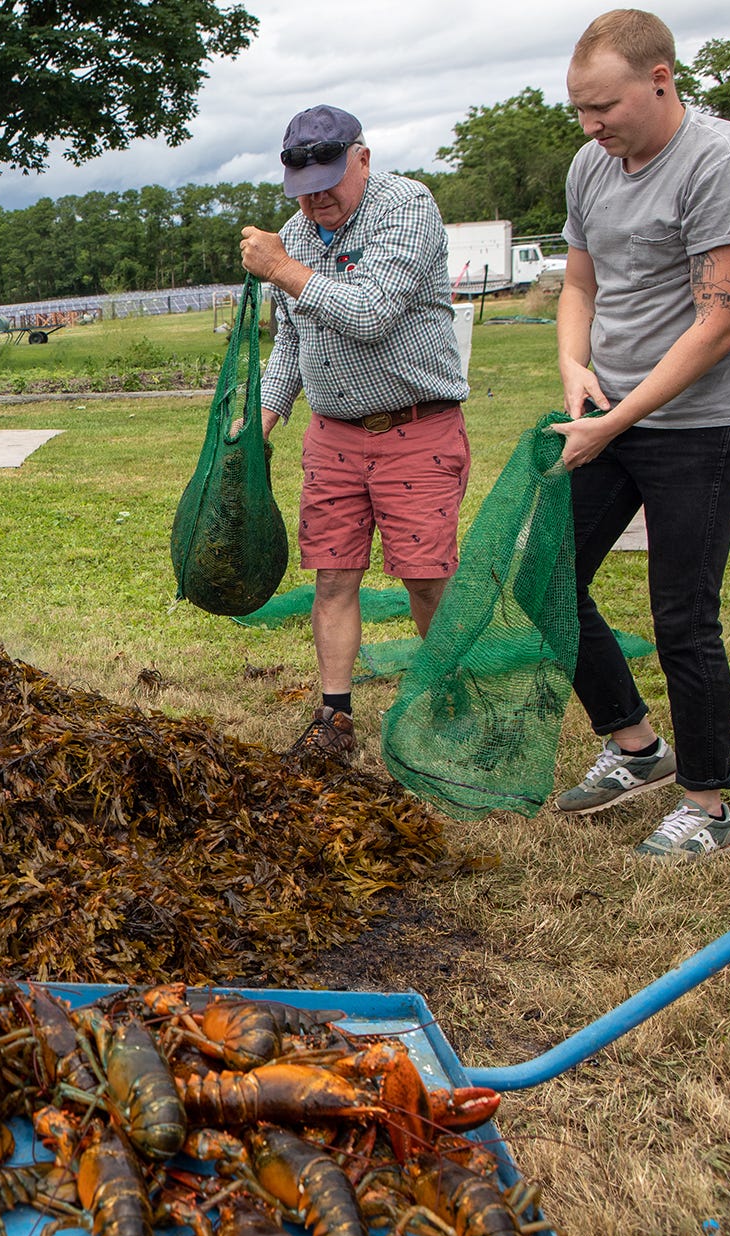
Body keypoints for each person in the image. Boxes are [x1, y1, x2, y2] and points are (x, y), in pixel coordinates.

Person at [547, 10, 730, 859]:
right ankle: (634, 745)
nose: (591, 126)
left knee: (682, 613)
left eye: (603, 106)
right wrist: (576, 369)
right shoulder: (590, 163)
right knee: (550, 579)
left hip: (701, 423)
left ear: (660, 79)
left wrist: (616, 417)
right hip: (607, 410)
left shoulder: (727, 162)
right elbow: (580, 282)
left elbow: (720, 323)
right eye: (579, 109)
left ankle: (707, 805)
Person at [238, 106, 472, 764]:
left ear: (362, 160)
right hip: (334, 434)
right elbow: (291, 342)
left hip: (414, 425)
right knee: (333, 576)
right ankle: (334, 719)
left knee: (425, 579)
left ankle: (450, 698)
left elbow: (370, 311)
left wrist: (282, 269)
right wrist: (263, 418)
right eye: (304, 189)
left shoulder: (407, 208)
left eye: (330, 183)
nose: (317, 200)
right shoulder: (296, 233)